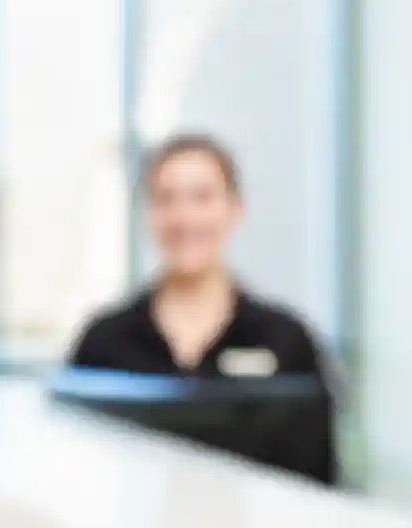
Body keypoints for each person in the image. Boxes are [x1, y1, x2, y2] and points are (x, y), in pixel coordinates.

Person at [67, 133, 336, 483]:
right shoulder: (103, 342)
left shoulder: (286, 341)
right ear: (148, 214)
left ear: (235, 210)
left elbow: (318, 484)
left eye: (202, 198)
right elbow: (79, 478)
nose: (184, 217)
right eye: (166, 199)